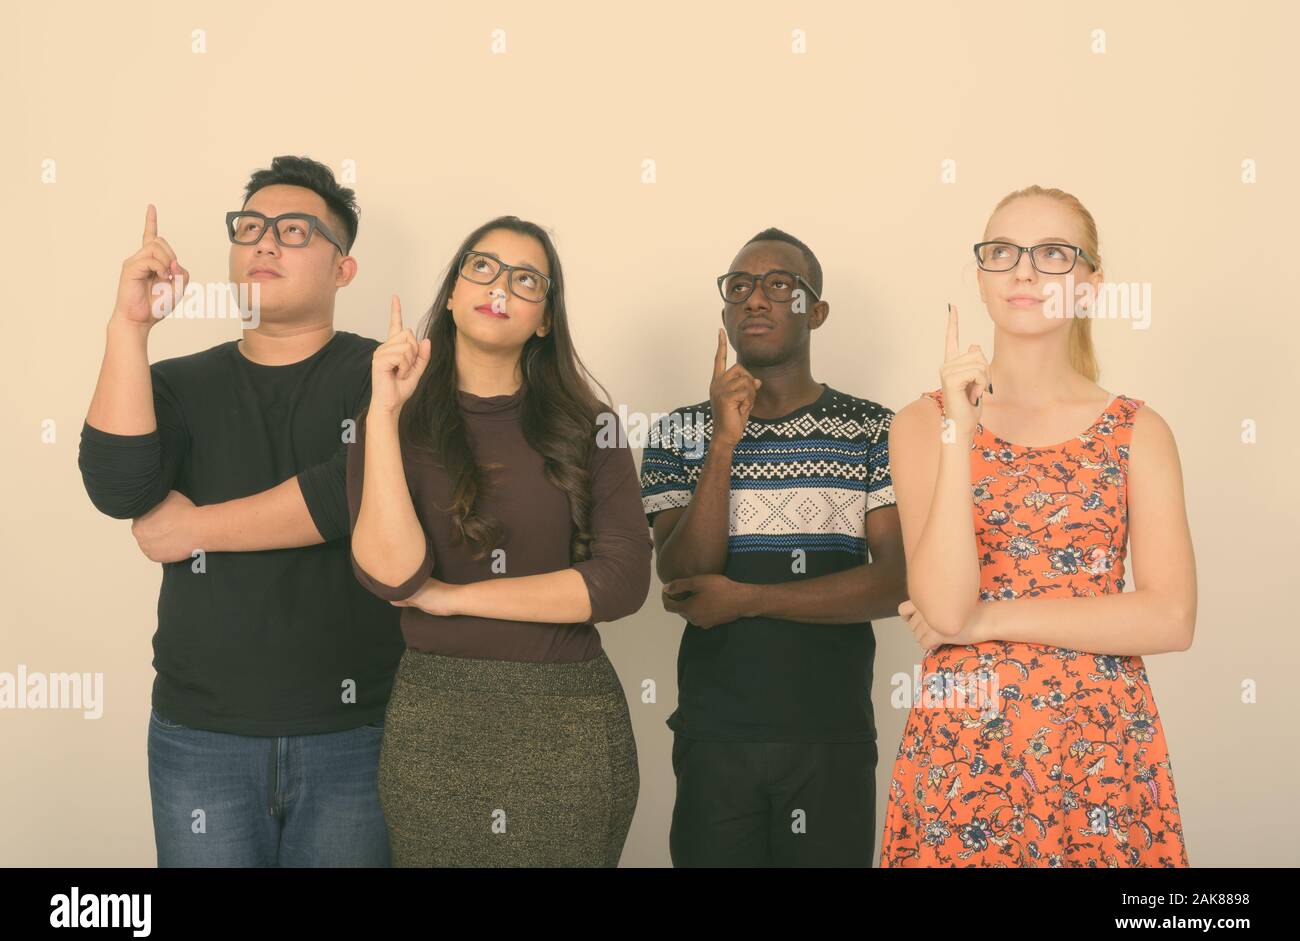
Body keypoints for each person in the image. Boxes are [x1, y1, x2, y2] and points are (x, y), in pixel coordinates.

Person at [78, 156, 404, 867]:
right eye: (250, 226)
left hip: (355, 731)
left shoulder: (379, 373)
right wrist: (129, 330)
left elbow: (348, 494)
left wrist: (195, 527)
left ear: (342, 269)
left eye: (294, 230)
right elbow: (118, 487)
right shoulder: (179, 381)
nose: (265, 242)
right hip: (201, 733)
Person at [879, 185, 1194, 867]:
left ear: (1089, 285)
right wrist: (959, 432)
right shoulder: (919, 424)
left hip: (1103, 749)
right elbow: (942, 603)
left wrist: (987, 620)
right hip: (965, 754)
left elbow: (1169, 617)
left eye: (1053, 253)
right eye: (1004, 252)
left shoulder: (1139, 431)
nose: (1025, 270)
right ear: (984, 277)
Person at [347, 215, 651, 867]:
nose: (500, 285)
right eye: (481, 267)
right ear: (452, 294)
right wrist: (382, 414)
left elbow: (622, 582)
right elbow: (395, 577)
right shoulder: (386, 421)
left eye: (526, 279)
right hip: (435, 724)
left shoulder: (590, 427)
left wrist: (455, 598)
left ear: (545, 318)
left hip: (569, 725)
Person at [639, 228, 907, 867]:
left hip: (831, 737)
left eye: (779, 285)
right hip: (715, 737)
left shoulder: (873, 429)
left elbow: (894, 582)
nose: (755, 299)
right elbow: (681, 578)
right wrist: (724, 443)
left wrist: (745, 600)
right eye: (739, 287)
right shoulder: (678, 431)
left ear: (815, 311)